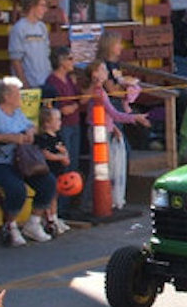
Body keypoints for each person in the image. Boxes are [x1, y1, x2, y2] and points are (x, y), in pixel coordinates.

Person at [0, 76, 57, 247]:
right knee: (16, 189)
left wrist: (29, 131)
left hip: (21, 161)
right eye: (17, 93)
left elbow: (31, 126)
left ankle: (33, 223)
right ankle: (10, 225)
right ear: (6, 96)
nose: (20, 96)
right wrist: (10, 137)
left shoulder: (17, 113)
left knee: (48, 183)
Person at [87, 61, 150, 213]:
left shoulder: (100, 91)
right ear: (94, 73)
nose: (106, 72)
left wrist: (113, 127)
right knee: (98, 169)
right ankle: (89, 202)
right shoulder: (98, 92)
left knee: (103, 169)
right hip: (98, 133)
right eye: (102, 69)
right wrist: (135, 117)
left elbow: (106, 115)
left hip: (105, 130)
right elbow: (112, 114)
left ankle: (103, 202)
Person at [40, 46, 83, 180]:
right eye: (70, 59)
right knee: (64, 165)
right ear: (61, 61)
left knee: (73, 162)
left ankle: (70, 197)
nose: (73, 62)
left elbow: (80, 97)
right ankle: (62, 199)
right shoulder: (52, 82)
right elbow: (64, 109)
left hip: (74, 123)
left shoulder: (69, 79)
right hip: (62, 126)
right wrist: (76, 104)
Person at [34, 106, 71, 236]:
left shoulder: (58, 136)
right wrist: (60, 157)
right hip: (48, 169)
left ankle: (54, 217)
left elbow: (63, 149)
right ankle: (48, 218)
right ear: (47, 123)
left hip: (59, 170)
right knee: (50, 195)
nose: (60, 122)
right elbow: (46, 154)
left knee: (56, 194)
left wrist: (65, 155)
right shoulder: (43, 138)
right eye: (57, 120)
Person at [8, 0, 52, 88]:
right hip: (29, 82)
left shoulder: (42, 27)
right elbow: (16, 59)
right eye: (42, 6)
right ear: (32, 5)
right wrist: (24, 83)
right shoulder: (19, 28)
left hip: (45, 80)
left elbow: (46, 55)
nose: (45, 10)